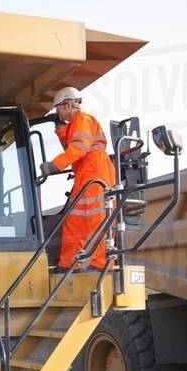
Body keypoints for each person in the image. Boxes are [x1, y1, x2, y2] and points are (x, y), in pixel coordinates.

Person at [40, 88, 115, 270]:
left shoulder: (84, 120)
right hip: (84, 176)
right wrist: (60, 128)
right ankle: (68, 263)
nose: (57, 111)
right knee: (73, 222)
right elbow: (70, 144)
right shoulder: (75, 124)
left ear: (67, 105)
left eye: (58, 108)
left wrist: (54, 165)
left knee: (97, 220)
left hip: (97, 174)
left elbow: (78, 148)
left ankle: (99, 263)